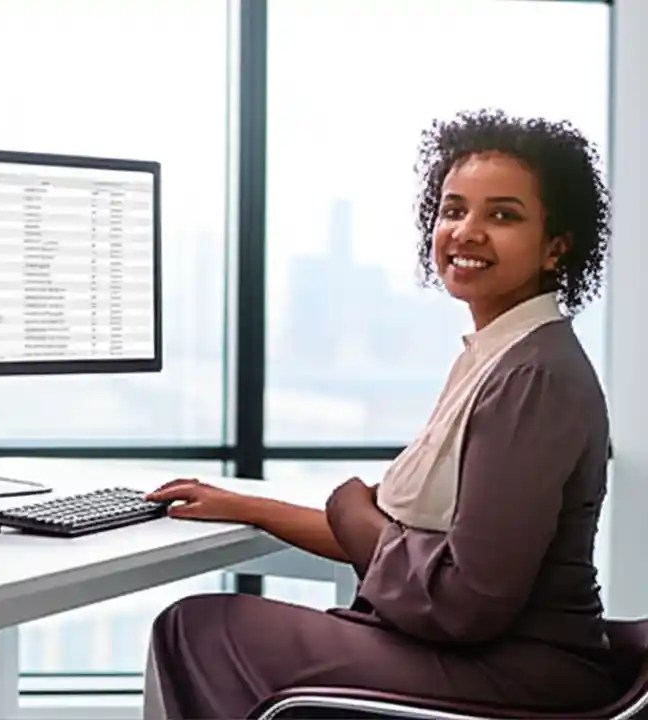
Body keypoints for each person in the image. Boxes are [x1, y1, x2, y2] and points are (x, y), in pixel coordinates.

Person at [143, 109, 618, 719]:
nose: (467, 231)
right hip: (498, 656)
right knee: (212, 625)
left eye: (502, 215)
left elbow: (463, 601)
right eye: (453, 210)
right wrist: (249, 506)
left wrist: (348, 504)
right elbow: (401, 542)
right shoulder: (502, 354)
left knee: (198, 628)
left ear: (557, 246)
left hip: (519, 672)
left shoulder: (532, 376)